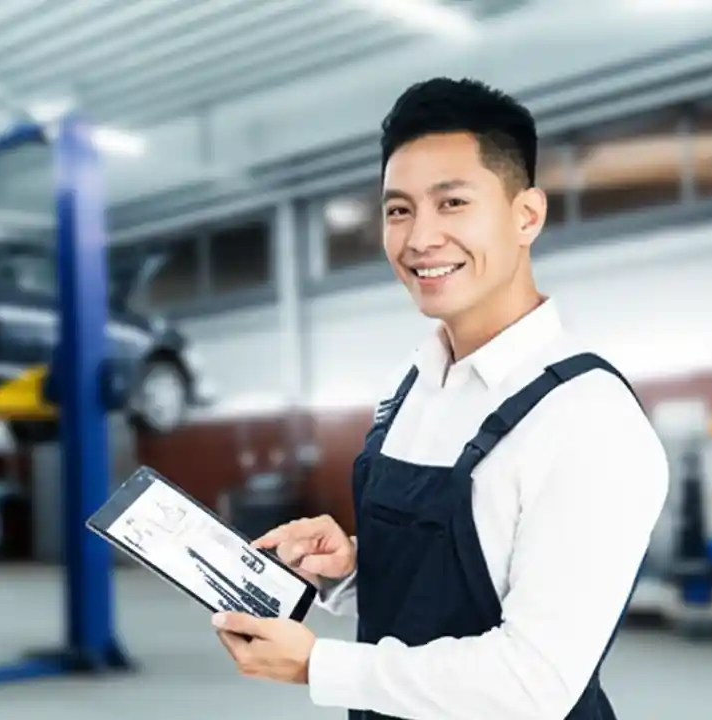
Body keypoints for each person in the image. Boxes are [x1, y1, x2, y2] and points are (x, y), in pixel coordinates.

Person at [210, 77, 669, 719]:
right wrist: (348, 569)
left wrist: (317, 665)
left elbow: (534, 682)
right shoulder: (415, 384)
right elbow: (454, 586)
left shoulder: (587, 418)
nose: (420, 238)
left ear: (526, 215)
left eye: (452, 203)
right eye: (399, 210)